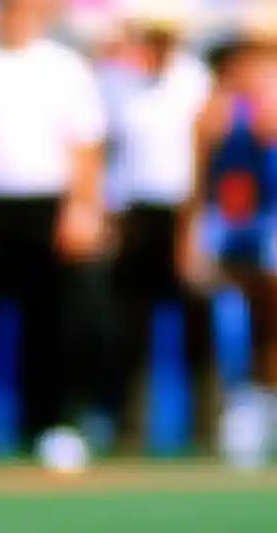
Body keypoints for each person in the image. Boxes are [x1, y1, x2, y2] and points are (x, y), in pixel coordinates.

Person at [0, 0, 107, 474]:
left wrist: (82, 210)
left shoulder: (66, 69)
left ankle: (49, 426)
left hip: (46, 205)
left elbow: (85, 147)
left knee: (48, 323)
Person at [105, 4, 213, 453]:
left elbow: (203, 158)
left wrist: (194, 228)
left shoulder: (195, 81)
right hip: (134, 216)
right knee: (131, 326)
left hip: (181, 213)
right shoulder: (119, 82)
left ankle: (206, 431)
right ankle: (131, 430)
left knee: (194, 325)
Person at [181, 13, 277, 467]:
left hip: (269, 228)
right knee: (242, 325)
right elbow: (199, 184)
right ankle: (245, 412)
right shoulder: (215, 112)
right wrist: (191, 237)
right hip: (236, 233)